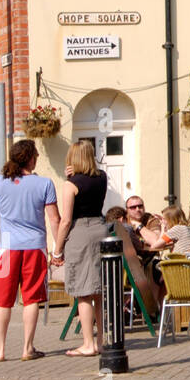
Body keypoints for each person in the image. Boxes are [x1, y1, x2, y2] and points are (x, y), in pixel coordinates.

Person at [0, 140, 60, 363]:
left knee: (3, 301)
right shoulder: (45, 184)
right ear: (30, 158)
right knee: (31, 299)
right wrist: (58, 249)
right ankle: (27, 348)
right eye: (36, 155)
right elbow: (55, 219)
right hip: (34, 247)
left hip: (7, 248)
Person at [49, 140, 110, 357]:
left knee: (84, 292)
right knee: (100, 290)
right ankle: (102, 342)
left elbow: (65, 220)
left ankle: (88, 343)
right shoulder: (102, 177)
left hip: (81, 232)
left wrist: (57, 250)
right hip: (100, 229)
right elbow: (90, 179)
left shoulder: (71, 184)